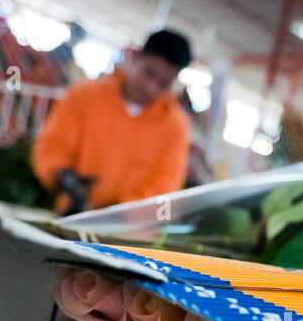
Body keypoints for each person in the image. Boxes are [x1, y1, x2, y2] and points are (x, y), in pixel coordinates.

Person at [31, 30, 193, 215]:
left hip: (128, 237)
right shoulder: (83, 96)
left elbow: (165, 186)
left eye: (164, 83)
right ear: (135, 56)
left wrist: (117, 215)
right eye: (148, 73)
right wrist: (63, 176)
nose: (151, 88)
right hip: (71, 219)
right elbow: (51, 147)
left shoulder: (175, 126)